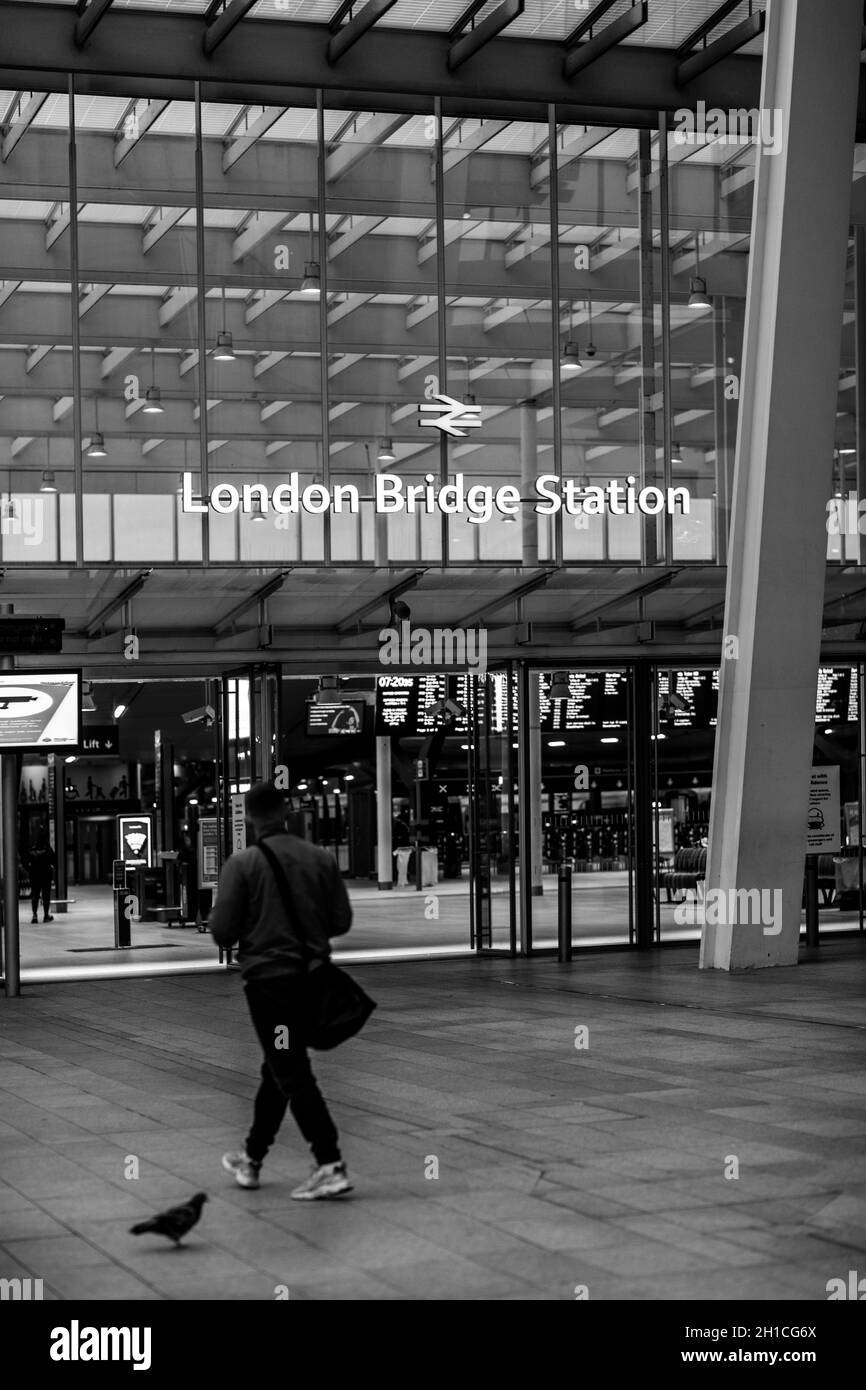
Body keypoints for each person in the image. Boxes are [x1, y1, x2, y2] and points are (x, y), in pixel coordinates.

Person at [210, 781, 353, 1199]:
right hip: (312, 981)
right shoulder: (320, 859)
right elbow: (341, 922)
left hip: (270, 988)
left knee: (290, 1070)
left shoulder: (242, 865)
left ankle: (330, 1162)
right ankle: (251, 1159)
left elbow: (222, 932)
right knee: (278, 1068)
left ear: (250, 816)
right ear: (286, 812)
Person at [28, 830, 56, 924]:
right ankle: (45, 915)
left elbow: (28, 862)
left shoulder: (33, 849)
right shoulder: (48, 849)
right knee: (46, 896)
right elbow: (54, 861)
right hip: (46, 876)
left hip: (35, 876)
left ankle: (34, 915)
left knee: (35, 895)